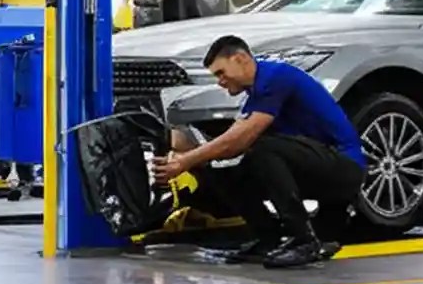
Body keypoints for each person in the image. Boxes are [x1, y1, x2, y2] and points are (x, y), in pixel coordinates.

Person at [151, 35, 367, 269]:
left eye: (221, 73)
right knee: (219, 167)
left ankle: (303, 239)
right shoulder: (256, 95)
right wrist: (173, 143)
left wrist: (183, 162)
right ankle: (267, 238)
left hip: (345, 167)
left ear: (241, 59)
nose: (220, 82)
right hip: (315, 164)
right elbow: (224, 143)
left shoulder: (275, 78)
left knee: (262, 149)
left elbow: (240, 139)